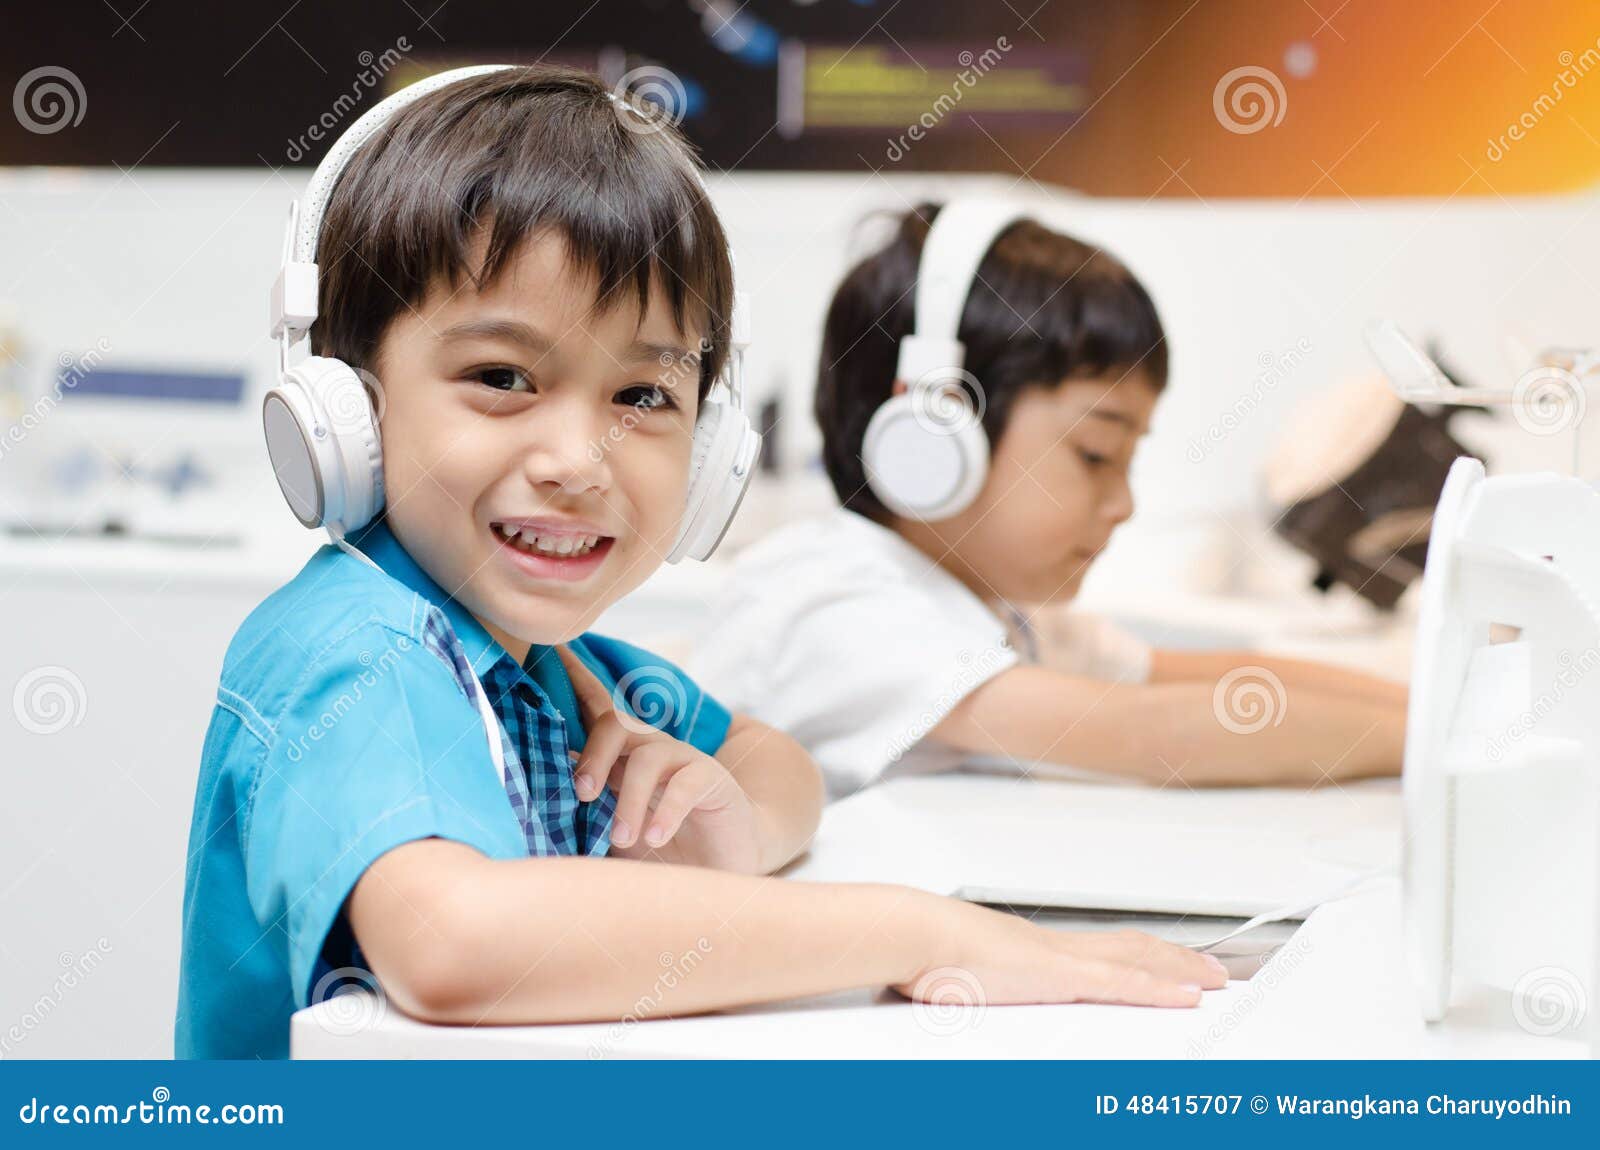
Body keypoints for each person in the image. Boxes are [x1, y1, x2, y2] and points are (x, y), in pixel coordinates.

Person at [175, 69, 1224, 1060]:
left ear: (709, 446)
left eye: (642, 397)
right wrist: (918, 933)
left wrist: (729, 823)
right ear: (347, 408)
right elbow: (453, 944)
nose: (578, 463)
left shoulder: (559, 669)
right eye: (501, 375)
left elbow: (778, 764)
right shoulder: (356, 652)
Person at [689, 201, 1407, 798]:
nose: (1123, 503)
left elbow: (1218, 679)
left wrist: (1430, 706)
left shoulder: (993, 607)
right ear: (937, 431)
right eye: (1096, 454)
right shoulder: (841, 603)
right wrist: (1430, 744)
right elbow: (1151, 733)